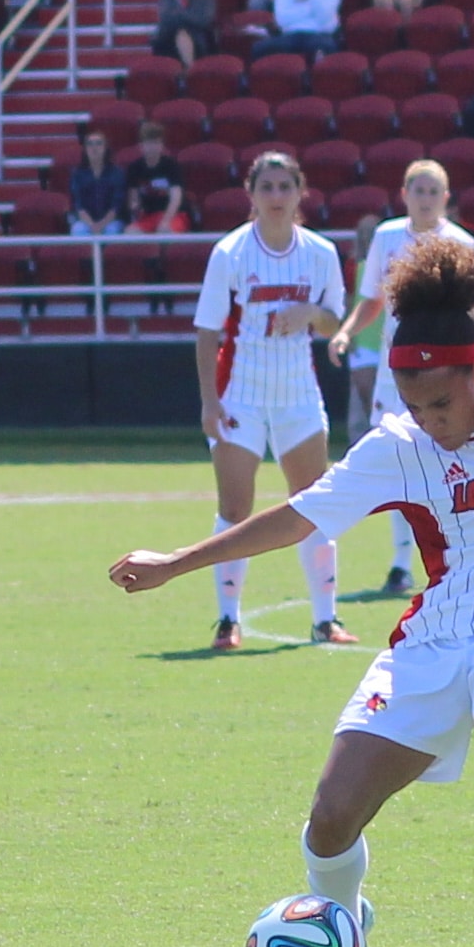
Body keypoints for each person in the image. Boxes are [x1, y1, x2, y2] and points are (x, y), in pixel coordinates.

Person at [111, 235, 474, 947]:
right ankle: (340, 937)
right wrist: (176, 562)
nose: (430, 419)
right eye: (413, 405)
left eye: (441, 402)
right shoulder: (395, 447)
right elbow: (297, 517)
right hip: (431, 640)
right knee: (330, 820)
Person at [191, 150, 356, 650]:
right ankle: (227, 619)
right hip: (241, 395)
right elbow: (206, 332)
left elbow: (335, 321)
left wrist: (310, 313)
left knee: (313, 505)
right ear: (252, 194)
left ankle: (325, 618)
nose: (277, 196)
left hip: (298, 396)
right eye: (267, 187)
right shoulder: (231, 252)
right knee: (234, 508)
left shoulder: (321, 252)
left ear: (301, 192)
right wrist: (209, 402)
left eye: (286, 186)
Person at [328, 159, 474, 595]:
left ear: (445, 198)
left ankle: (465, 552)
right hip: (398, 370)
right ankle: (400, 562)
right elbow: (372, 299)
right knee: (400, 455)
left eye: (433, 192)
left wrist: (449, 328)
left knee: (452, 457)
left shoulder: (461, 243)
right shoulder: (387, 237)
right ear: (404, 195)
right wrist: (347, 332)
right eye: (418, 191)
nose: (425, 200)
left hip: (448, 373)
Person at [344, 214, 383, 446]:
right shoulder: (352, 266)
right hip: (362, 339)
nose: (368, 238)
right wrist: (348, 334)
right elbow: (350, 301)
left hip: (386, 341)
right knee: (364, 393)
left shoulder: (392, 262)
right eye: (364, 233)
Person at [124, 122, 189, 234]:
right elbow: (133, 197)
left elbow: (176, 198)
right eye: (149, 143)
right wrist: (135, 206)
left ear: (162, 145)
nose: (152, 147)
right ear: (141, 146)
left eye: (156, 143)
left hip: (174, 215)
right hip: (148, 216)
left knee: (164, 231)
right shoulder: (134, 168)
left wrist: (165, 221)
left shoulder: (171, 166)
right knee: (130, 232)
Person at [153, 0, 217, 68]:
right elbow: (165, 18)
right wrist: (188, 17)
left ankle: (189, 70)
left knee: (183, 34)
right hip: (168, 40)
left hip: (197, 39)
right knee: (180, 33)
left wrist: (179, 14)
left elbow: (204, 20)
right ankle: (189, 70)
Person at [69, 129, 126, 236]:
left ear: (105, 148)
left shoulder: (117, 173)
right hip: (86, 221)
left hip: (111, 221)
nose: (94, 148)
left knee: (112, 231)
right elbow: (79, 206)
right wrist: (92, 225)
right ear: (85, 149)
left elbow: (116, 206)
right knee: (78, 230)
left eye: (98, 144)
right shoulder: (77, 174)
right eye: (90, 144)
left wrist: (101, 225)